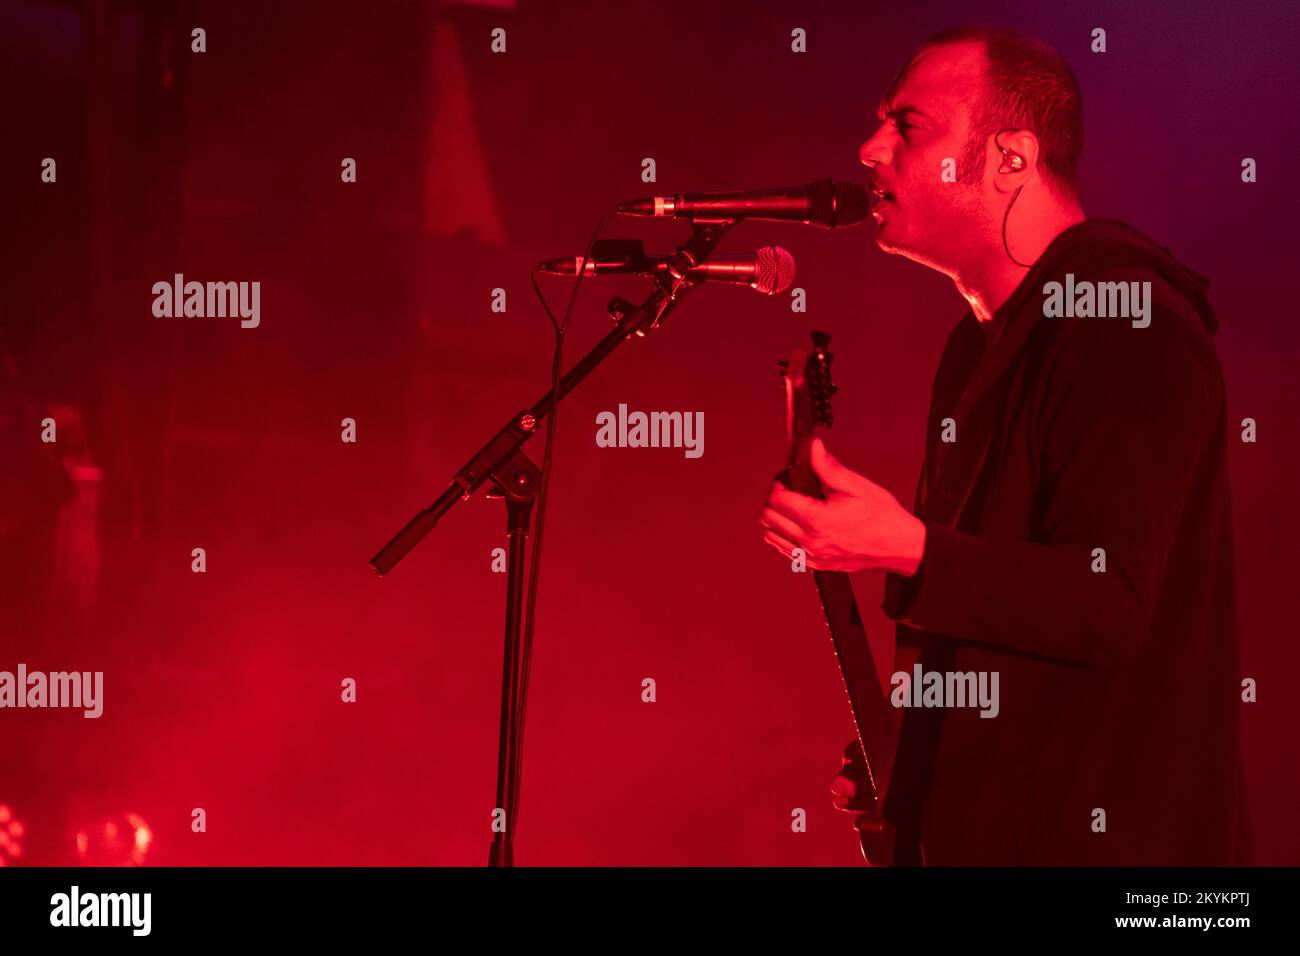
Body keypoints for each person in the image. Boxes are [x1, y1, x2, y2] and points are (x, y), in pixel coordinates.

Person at [760, 26, 1251, 864]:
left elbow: (1110, 602)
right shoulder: (978, 345)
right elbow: (1006, 619)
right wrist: (915, 763)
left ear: (1010, 159)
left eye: (907, 126)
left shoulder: (1127, 321)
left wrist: (910, 550)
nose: (868, 147)